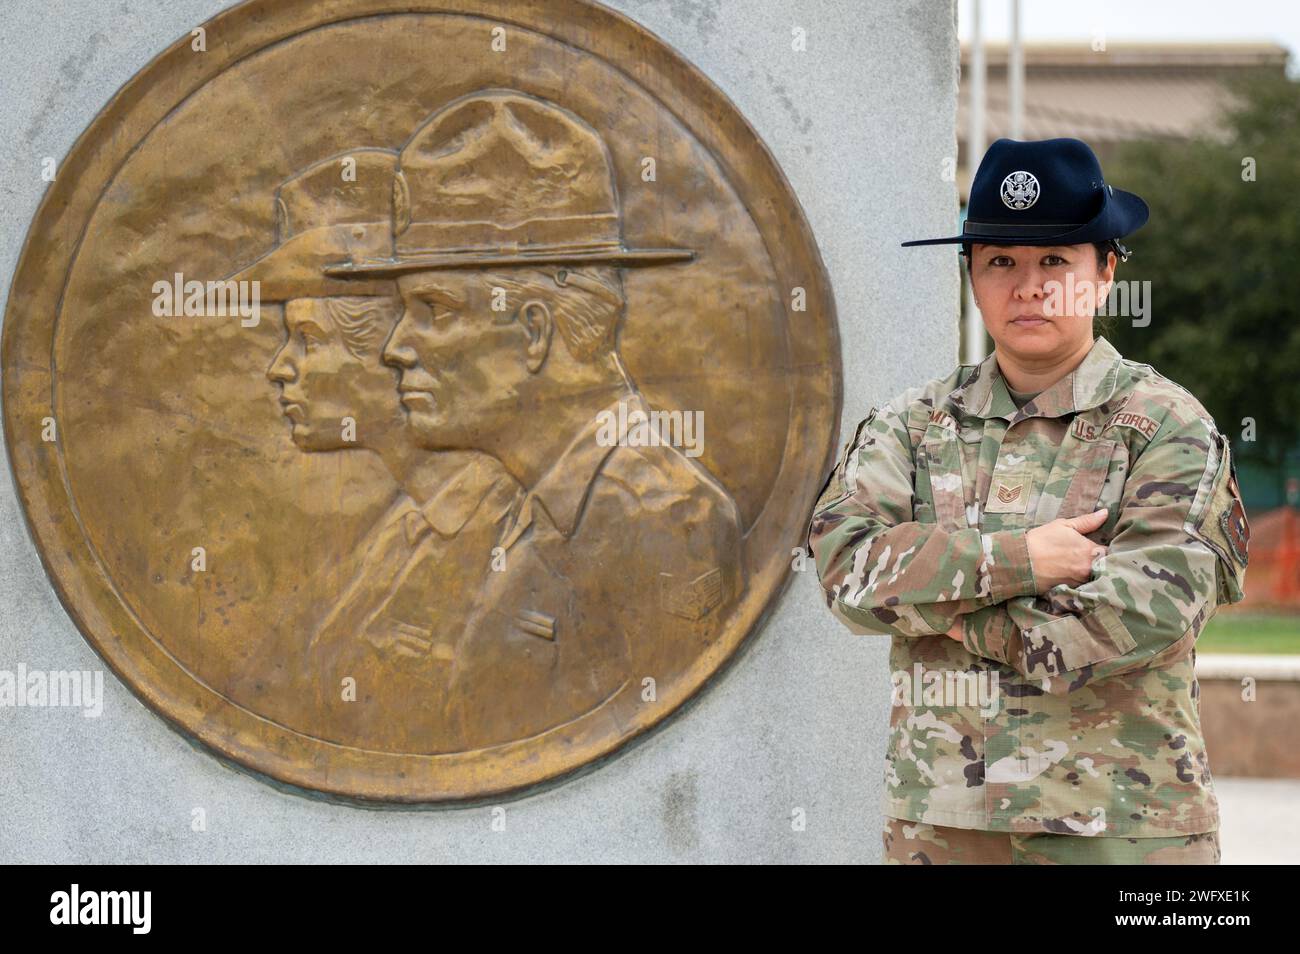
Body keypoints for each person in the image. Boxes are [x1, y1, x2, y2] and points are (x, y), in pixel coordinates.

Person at [807, 138, 1250, 865]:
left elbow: (1150, 607)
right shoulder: (912, 425)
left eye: (1056, 261)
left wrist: (951, 615)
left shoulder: (1166, 424)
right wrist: (1017, 561)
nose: (1029, 286)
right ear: (972, 277)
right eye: (1001, 262)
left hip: (1124, 827)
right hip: (944, 826)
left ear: (1105, 274)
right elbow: (846, 572)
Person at [326, 89, 746, 750]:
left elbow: (684, 753)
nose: (396, 345)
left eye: (433, 309)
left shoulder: (666, 524)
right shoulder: (533, 509)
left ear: (532, 331)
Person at [230, 149, 519, 751]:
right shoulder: (405, 530)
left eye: (307, 340)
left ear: (394, 347)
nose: (281, 369)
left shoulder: (513, 533)